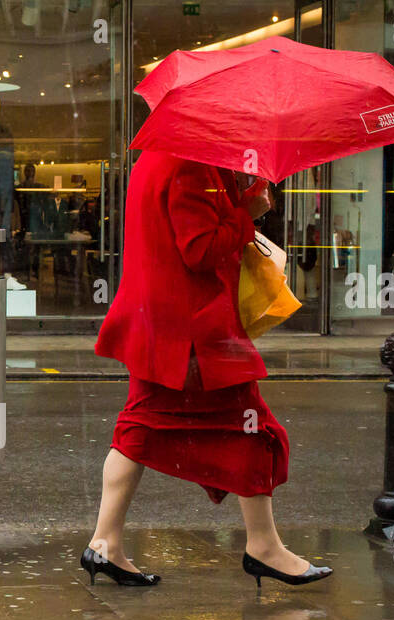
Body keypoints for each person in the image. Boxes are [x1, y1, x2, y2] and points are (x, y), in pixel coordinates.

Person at [83, 152, 331, 589]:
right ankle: (264, 548)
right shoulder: (190, 165)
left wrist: (233, 197)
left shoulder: (153, 159)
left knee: (138, 429)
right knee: (256, 433)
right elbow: (198, 249)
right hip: (193, 334)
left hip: (159, 326)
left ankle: (104, 543)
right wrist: (245, 215)